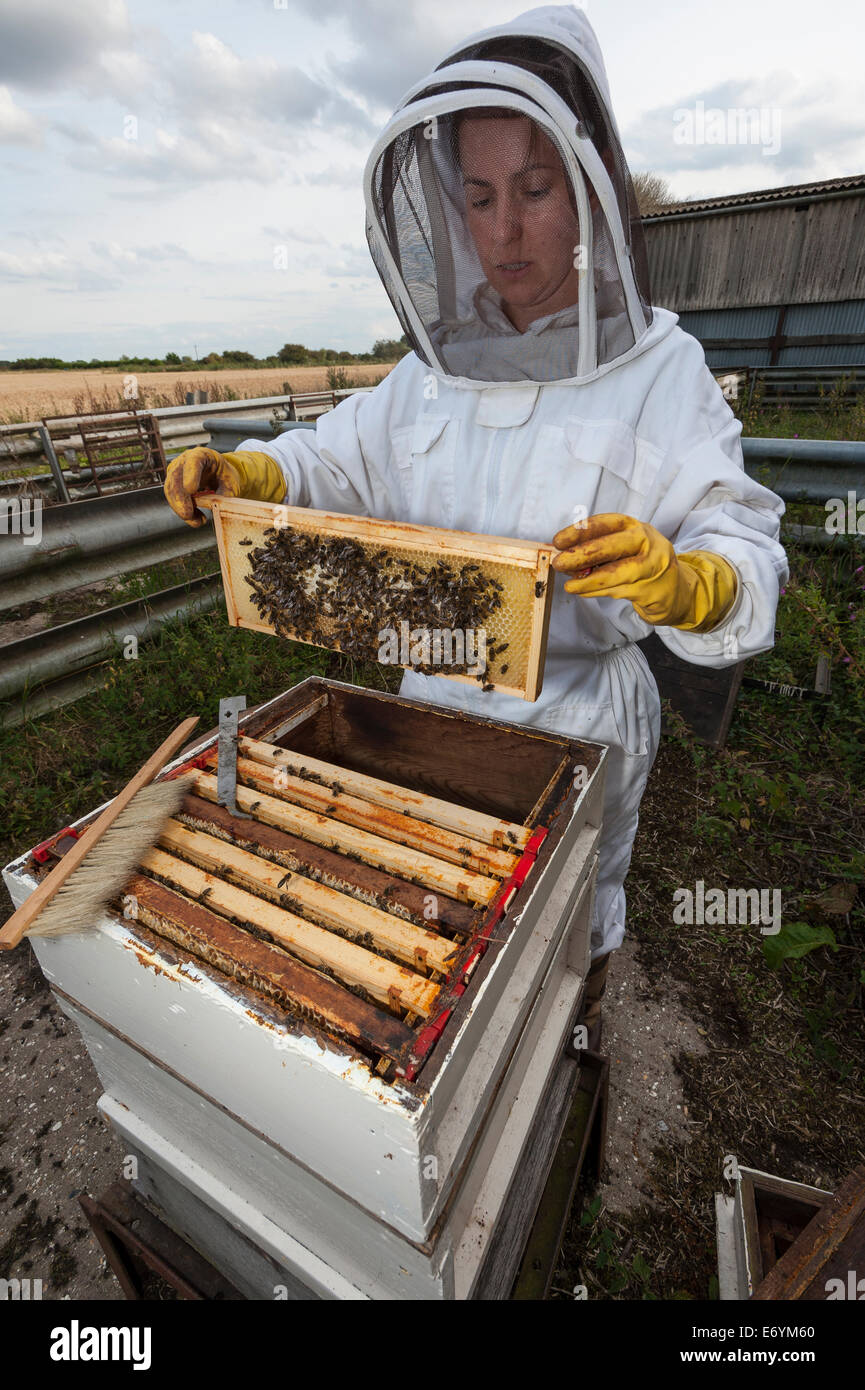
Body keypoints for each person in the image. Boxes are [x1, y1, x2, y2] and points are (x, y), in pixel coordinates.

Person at [164, 5, 788, 1050]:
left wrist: (695, 583)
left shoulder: (661, 372)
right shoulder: (431, 373)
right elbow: (337, 459)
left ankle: (569, 1051)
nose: (504, 230)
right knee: (430, 928)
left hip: (578, 727)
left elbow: (744, 543)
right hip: (427, 708)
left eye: (535, 191)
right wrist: (255, 468)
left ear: (589, 192)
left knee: (560, 950)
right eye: (480, 196)